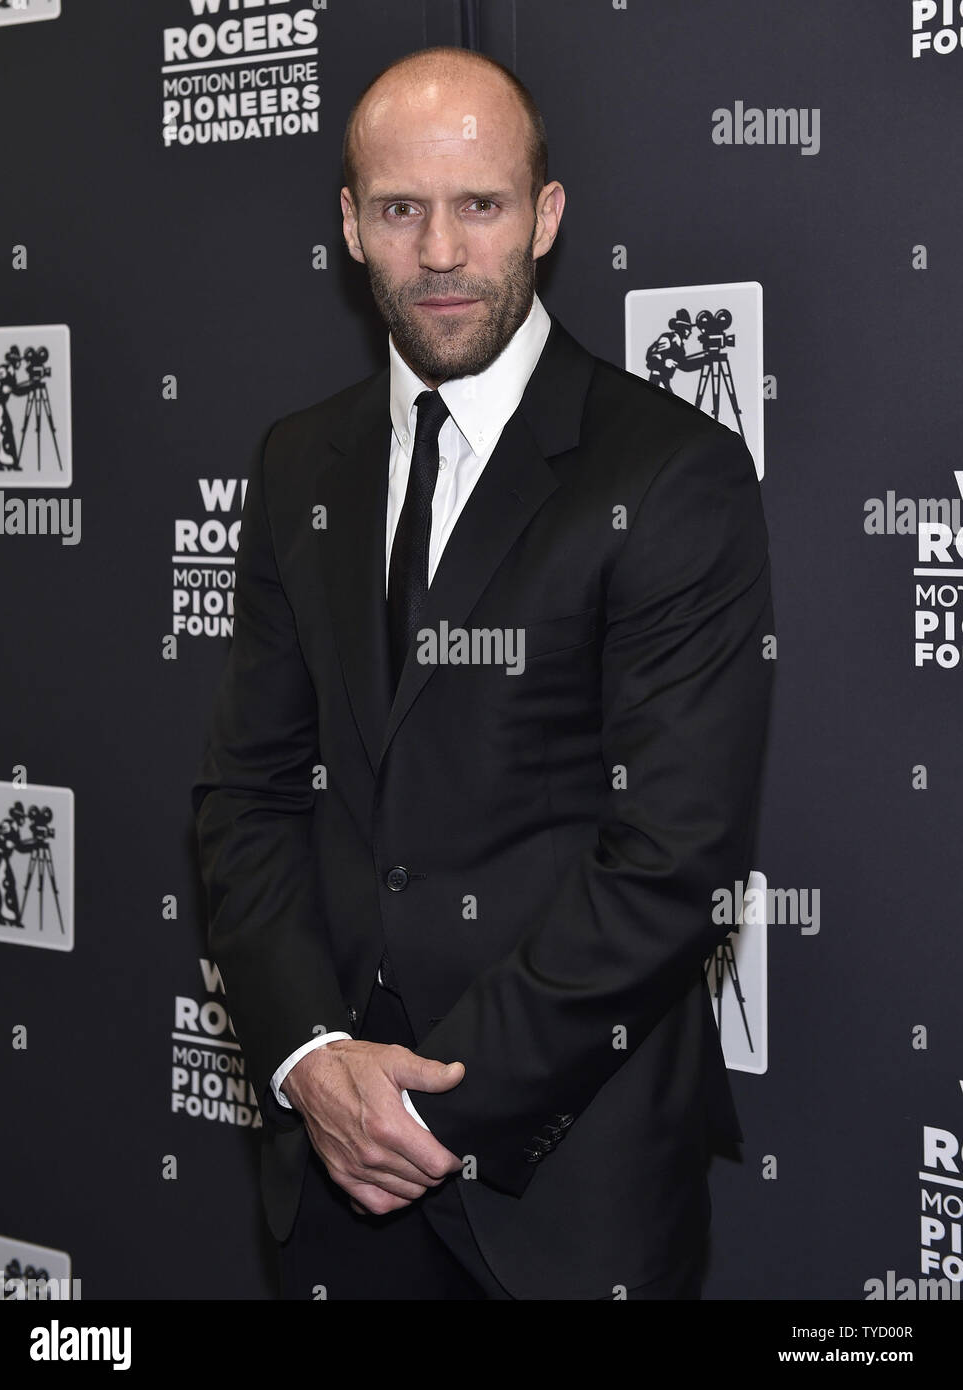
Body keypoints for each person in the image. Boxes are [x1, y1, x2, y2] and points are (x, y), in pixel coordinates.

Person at [192, 44, 774, 1301]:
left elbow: (672, 855)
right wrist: (307, 1058)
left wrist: (429, 1110)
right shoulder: (298, 465)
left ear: (546, 218)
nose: (442, 253)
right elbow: (246, 794)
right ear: (350, 227)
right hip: (328, 1171)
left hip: (564, 1185)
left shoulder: (670, 473)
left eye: (481, 205)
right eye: (401, 209)